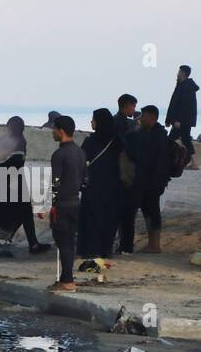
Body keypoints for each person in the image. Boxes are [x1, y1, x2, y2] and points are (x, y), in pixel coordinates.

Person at [0, 116, 48, 257]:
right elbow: (16, 164)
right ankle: (33, 244)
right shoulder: (19, 142)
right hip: (11, 185)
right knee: (25, 211)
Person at [121, 104, 172, 254]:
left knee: (150, 213)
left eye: (143, 116)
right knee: (149, 212)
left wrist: (158, 183)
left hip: (150, 183)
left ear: (151, 118)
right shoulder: (147, 134)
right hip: (145, 182)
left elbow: (158, 161)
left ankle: (154, 245)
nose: (140, 118)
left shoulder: (158, 137)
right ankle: (152, 244)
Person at [76, 108, 124, 261]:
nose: (91, 122)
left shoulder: (91, 141)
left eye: (93, 119)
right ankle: (105, 249)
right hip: (115, 187)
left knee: (91, 219)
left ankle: (90, 249)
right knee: (109, 219)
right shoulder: (118, 141)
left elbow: (81, 162)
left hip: (94, 186)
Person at [48, 115, 85, 291]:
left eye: (54, 129)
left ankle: (68, 280)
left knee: (63, 243)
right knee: (70, 241)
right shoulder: (80, 152)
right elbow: (85, 181)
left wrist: (53, 204)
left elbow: (55, 183)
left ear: (61, 131)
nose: (52, 132)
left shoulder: (59, 154)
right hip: (76, 203)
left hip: (62, 204)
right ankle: (65, 278)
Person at [166, 65, 196, 164]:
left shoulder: (186, 87)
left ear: (183, 73)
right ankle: (192, 162)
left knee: (172, 140)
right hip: (181, 120)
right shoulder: (182, 85)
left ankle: (168, 161)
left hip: (181, 120)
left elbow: (185, 106)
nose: (177, 74)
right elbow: (174, 103)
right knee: (185, 139)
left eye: (179, 72)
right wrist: (169, 119)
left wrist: (178, 120)